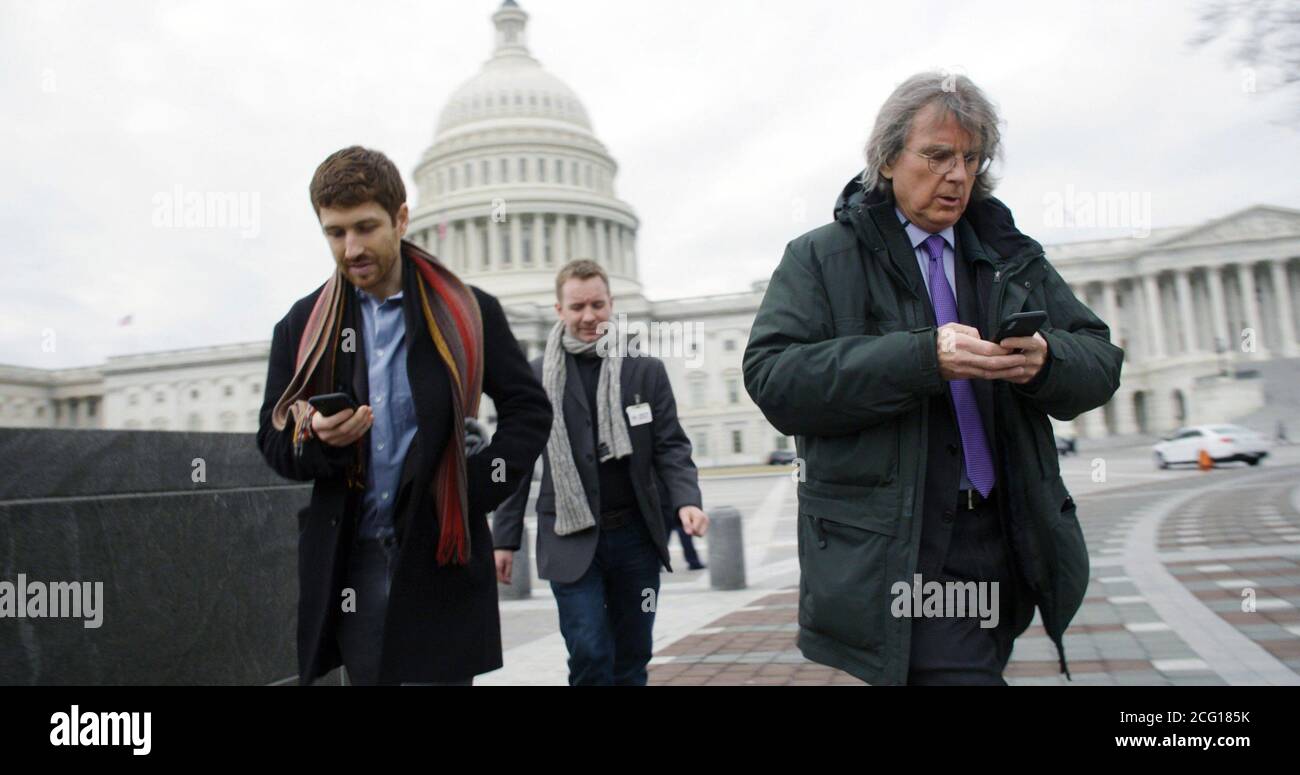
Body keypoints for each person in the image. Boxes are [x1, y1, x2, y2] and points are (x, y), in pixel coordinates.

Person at [743, 73, 1123, 685]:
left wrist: (1047, 361)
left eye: (971, 158)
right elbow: (775, 379)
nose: (957, 175)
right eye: (938, 155)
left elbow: (1101, 361)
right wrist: (923, 357)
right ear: (889, 158)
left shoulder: (1011, 256)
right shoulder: (819, 258)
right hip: (901, 547)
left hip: (1008, 536)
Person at [257, 146, 551, 685]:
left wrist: (478, 486)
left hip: (439, 550)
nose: (351, 248)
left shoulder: (469, 310)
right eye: (335, 232)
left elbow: (528, 410)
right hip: (355, 560)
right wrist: (318, 441)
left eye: (366, 227)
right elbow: (273, 441)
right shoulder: (301, 326)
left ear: (401, 218)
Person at [492, 260, 708, 685]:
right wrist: (504, 538)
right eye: (577, 307)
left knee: (633, 654)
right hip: (569, 536)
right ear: (559, 310)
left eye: (597, 304)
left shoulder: (644, 369)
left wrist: (686, 499)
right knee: (589, 651)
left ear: (611, 304)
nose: (588, 316)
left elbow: (671, 445)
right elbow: (514, 461)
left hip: (635, 537)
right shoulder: (533, 378)